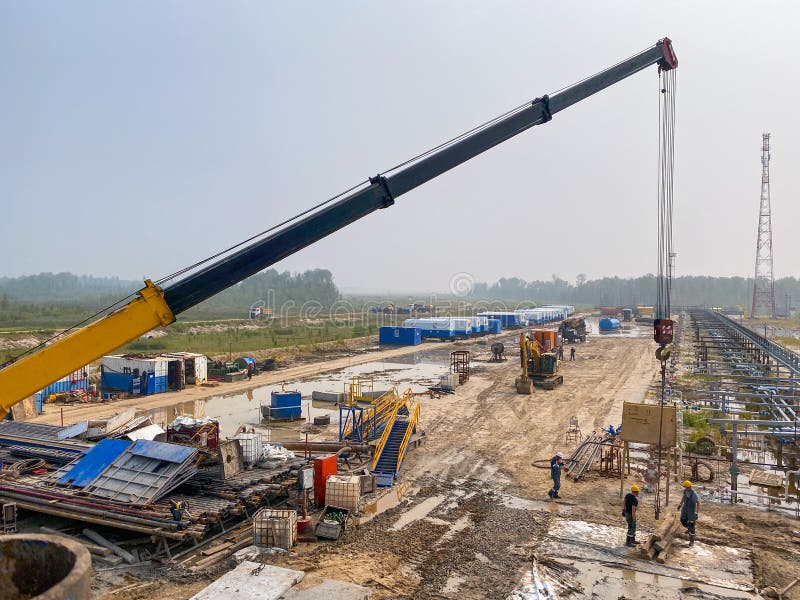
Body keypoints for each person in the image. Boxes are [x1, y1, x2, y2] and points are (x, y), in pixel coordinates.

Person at [677, 479, 699, 545]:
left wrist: (696, 512)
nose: (685, 488)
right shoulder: (685, 491)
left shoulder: (694, 494)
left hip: (691, 511)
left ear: (688, 487)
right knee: (682, 520)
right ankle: (689, 529)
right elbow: (683, 497)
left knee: (691, 524)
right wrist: (680, 505)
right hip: (685, 509)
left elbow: (698, 503)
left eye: (685, 487)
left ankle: (692, 540)